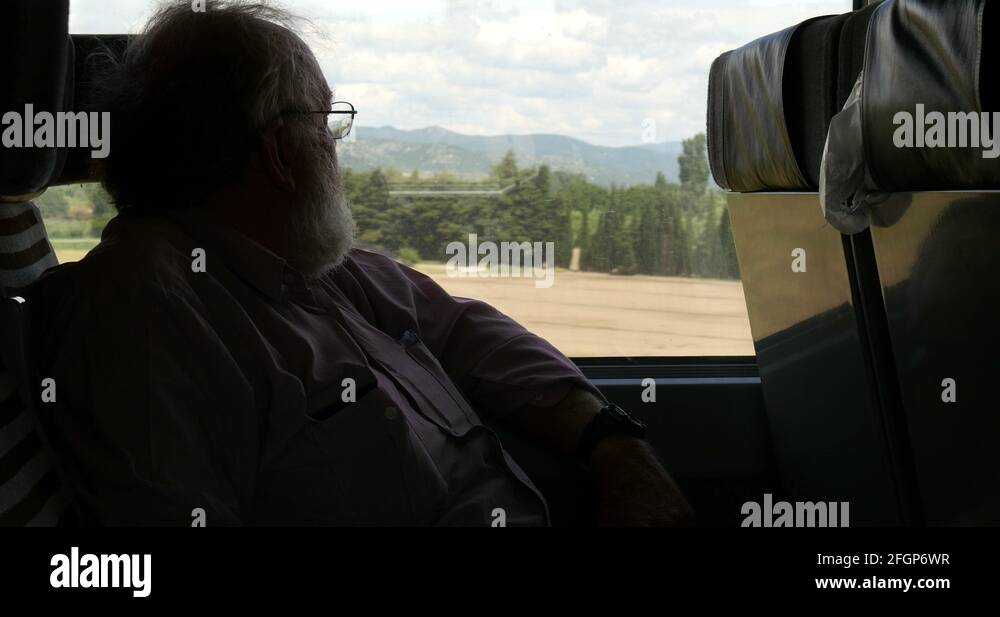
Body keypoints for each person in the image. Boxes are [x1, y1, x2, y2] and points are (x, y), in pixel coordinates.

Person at [29, 0, 692, 526]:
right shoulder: (138, 314)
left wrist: (615, 443)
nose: (338, 150)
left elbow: (465, 332)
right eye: (329, 125)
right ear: (278, 155)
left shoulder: (323, 268)